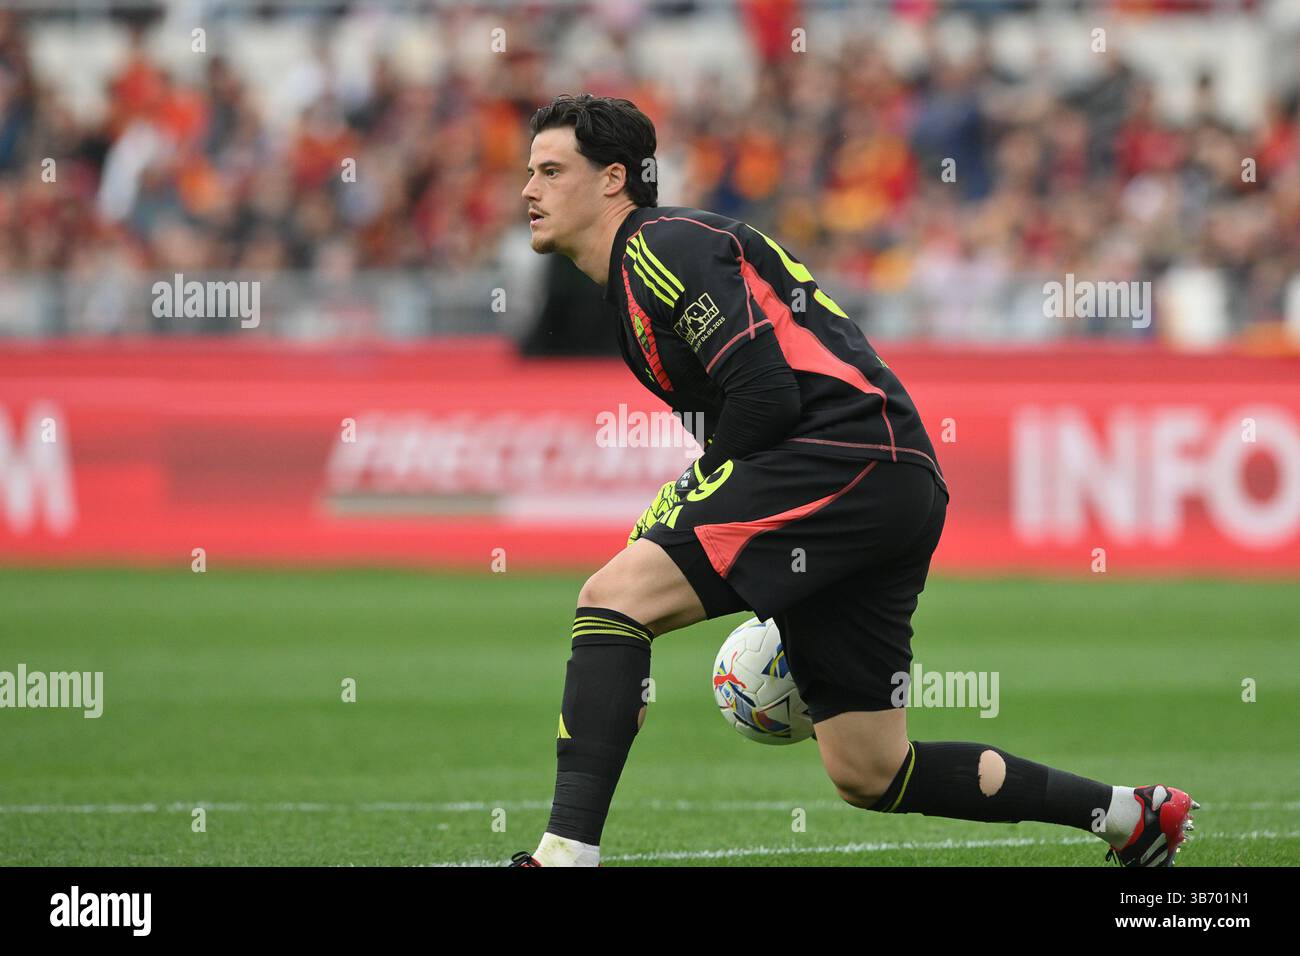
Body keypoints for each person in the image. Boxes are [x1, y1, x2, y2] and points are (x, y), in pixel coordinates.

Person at [510, 93, 1195, 868]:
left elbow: (765, 394)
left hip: (842, 455)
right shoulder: (637, 278)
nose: (528, 190)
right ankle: (1130, 817)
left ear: (613, 180)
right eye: (530, 172)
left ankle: (565, 854)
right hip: (889, 478)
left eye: (550, 170)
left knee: (613, 598)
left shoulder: (659, 246)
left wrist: (687, 493)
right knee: (870, 769)